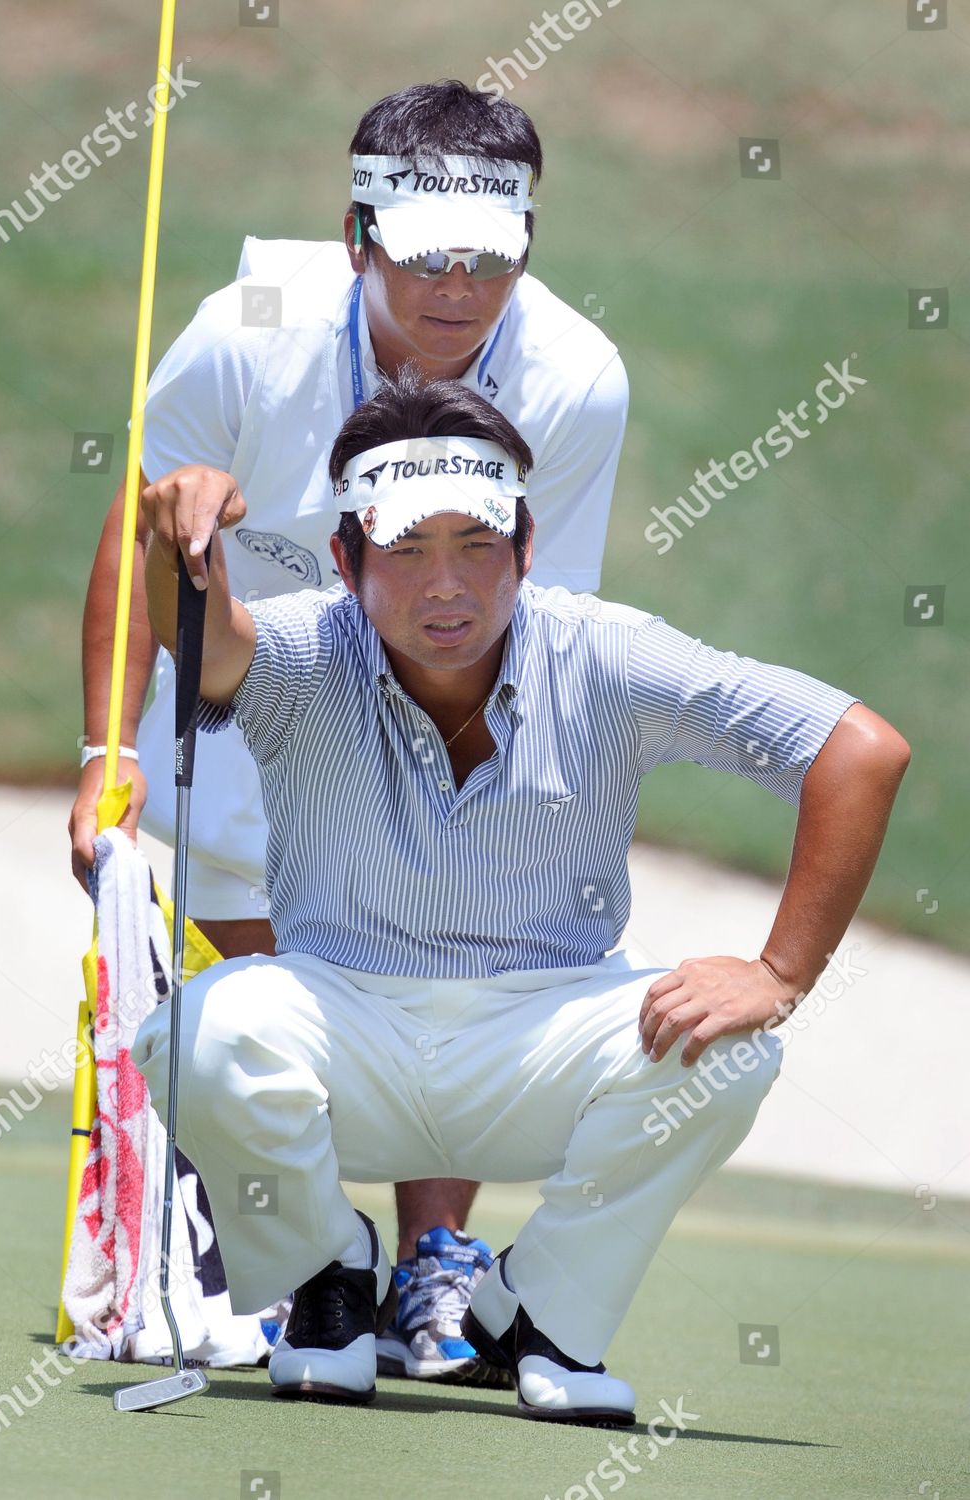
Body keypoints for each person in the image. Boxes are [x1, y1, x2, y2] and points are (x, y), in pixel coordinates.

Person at [131, 371, 910, 1422]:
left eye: (476, 544)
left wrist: (779, 972)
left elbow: (858, 750)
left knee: (729, 1052)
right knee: (193, 1034)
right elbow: (202, 637)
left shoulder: (608, 652)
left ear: (527, 547)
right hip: (343, 1025)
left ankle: (541, 1313)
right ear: (346, 563)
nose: (444, 585)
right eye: (406, 549)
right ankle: (326, 1275)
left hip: (543, 1038)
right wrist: (170, 532)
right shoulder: (306, 648)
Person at [69, 79, 630, 1381]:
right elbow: (136, 528)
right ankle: (323, 1256)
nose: (457, 288)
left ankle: (434, 1266)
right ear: (355, 236)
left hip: (449, 669)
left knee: (453, 935)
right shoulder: (246, 331)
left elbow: (536, 614)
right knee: (282, 985)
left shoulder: (574, 378)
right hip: (244, 668)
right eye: (424, 255)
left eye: (488, 256)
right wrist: (105, 754)